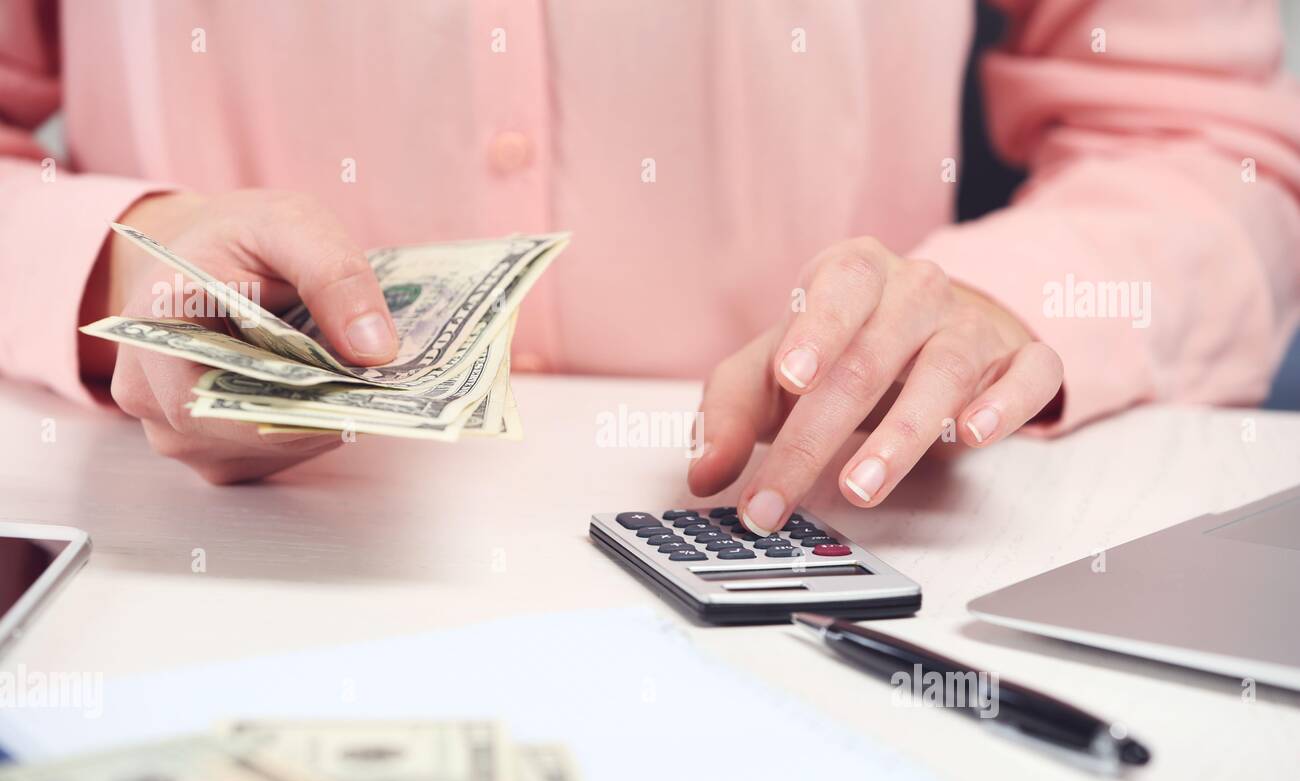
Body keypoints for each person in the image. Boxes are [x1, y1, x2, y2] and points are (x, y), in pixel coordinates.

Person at [2, 2, 1297, 536]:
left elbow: (1202, 136)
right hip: (179, 558)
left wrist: (1008, 304)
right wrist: (106, 277)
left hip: (846, 547)